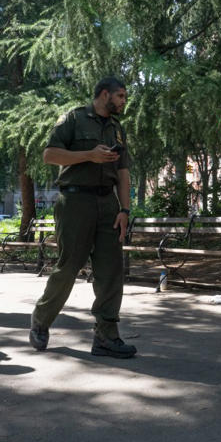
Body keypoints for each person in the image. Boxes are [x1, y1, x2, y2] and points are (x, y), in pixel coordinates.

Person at [29, 77, 136, 358]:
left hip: (108, 204)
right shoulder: (73, 119)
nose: (124, 102)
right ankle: (41, 320)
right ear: (105, 94)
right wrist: (89, 155)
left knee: (111, 270)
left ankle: (106, 337)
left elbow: (123, 172)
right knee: (69, 266)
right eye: (121, 96)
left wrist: (125, 210)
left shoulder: (117, 128)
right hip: (75, 201)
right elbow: (49, 155)